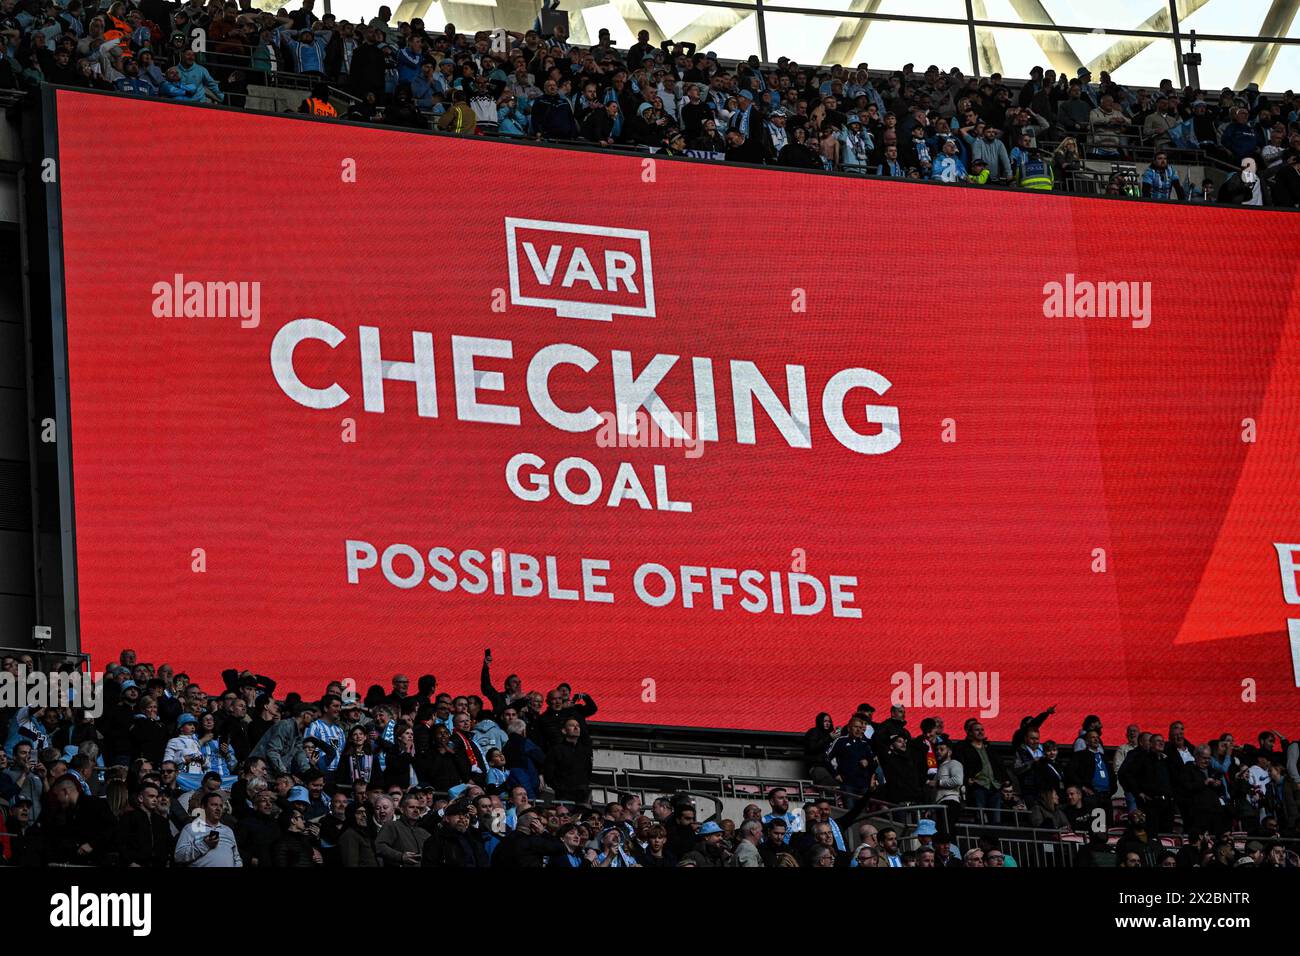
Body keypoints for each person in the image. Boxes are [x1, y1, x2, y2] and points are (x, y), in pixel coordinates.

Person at [174, 791, 241, 867]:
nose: (218, 808)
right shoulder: (190, 828)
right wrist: (204, 844)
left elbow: (236, 858)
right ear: (203, 807)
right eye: (214, 805)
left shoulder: (228, 831)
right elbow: (179, 857)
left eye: (221, 806)